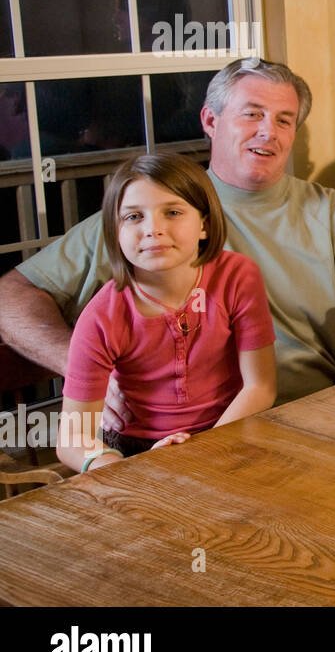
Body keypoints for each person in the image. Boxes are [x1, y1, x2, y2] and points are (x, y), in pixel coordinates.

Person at [0, 57, 335, 408]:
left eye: (284, 120)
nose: (269, 132)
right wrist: (85, 372)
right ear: (210, 121)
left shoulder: (333, 213)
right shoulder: (152, 213)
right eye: (252, 114)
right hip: (189, 429)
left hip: (316, 412)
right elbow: (11, 295)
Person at [56, 154, 277, 473]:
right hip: (135, 450)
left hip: (230, 427)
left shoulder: (238, 276)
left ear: (204, 224)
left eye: (172, 212)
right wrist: (117, 466)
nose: (153, 229)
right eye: (133, 217)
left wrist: (205, 448)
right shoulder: (102, 315)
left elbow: (261, 387)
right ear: (114, 231)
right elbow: (72, 438)